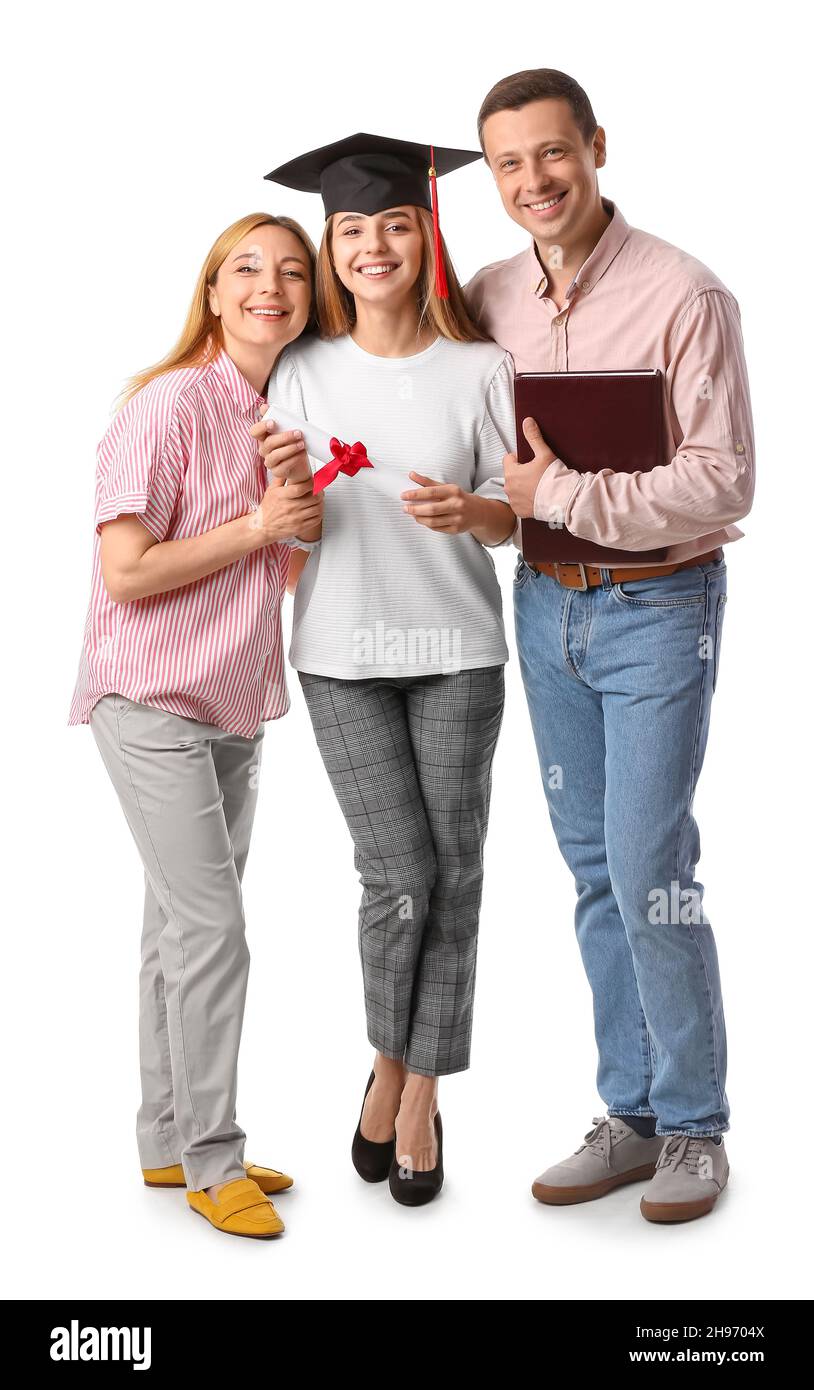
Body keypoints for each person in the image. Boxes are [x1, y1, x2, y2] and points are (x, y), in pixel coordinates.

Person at [466, 68, 755, 1223]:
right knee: (593, 869)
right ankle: (630, 1113)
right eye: (507, 164)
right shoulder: (489, 296)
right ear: (491, 176)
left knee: (651, 869)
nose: (534, 180)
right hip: (544, 607)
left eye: (551, 152)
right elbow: (474, 438)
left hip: (658, 609)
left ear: (595, 144)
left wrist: (568, 493)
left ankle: (694, 1127)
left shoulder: (686, 293)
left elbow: (724, 479)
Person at [256, 133, 516, 1205]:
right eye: (353, 229)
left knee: (454, 877)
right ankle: (395, 1054)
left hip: (457, 651)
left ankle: (415, 1094)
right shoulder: (296, 370)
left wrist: (476, 511)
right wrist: (285, 500)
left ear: (427, 236)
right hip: (340, 656)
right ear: (331, 246)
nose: (374, 246)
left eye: (394, 225)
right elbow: (280, 532)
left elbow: (517, 513)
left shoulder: (481, 367)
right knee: (397, 876)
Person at [68, 212, 324, 1239]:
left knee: (177, 927)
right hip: (150, 701)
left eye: (293, 273)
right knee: (216, 931)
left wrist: (290, 531)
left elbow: (275, 573)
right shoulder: (167, 404)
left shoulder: (281, 416)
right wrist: (260, 524)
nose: (272, 286)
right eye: (247, 269)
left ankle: (168, 1140)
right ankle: (217, 1158)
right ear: (212, 293)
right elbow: (125, 572)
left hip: (232, 704)